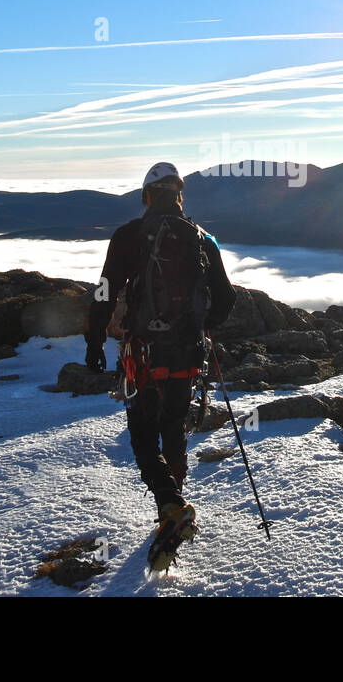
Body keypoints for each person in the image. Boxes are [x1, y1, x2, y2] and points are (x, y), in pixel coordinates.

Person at [84, 161, 236, 570]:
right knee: (173, 428)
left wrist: (94, 341)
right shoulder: (204, 239)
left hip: (143, 356)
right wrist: (204, 329)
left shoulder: (129, 236)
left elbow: (103, 292)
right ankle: (172, 508)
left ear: (147, 195)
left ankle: (170, 507)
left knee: (142, 437)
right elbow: (226, 299)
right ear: (179, 194)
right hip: (187, 355)